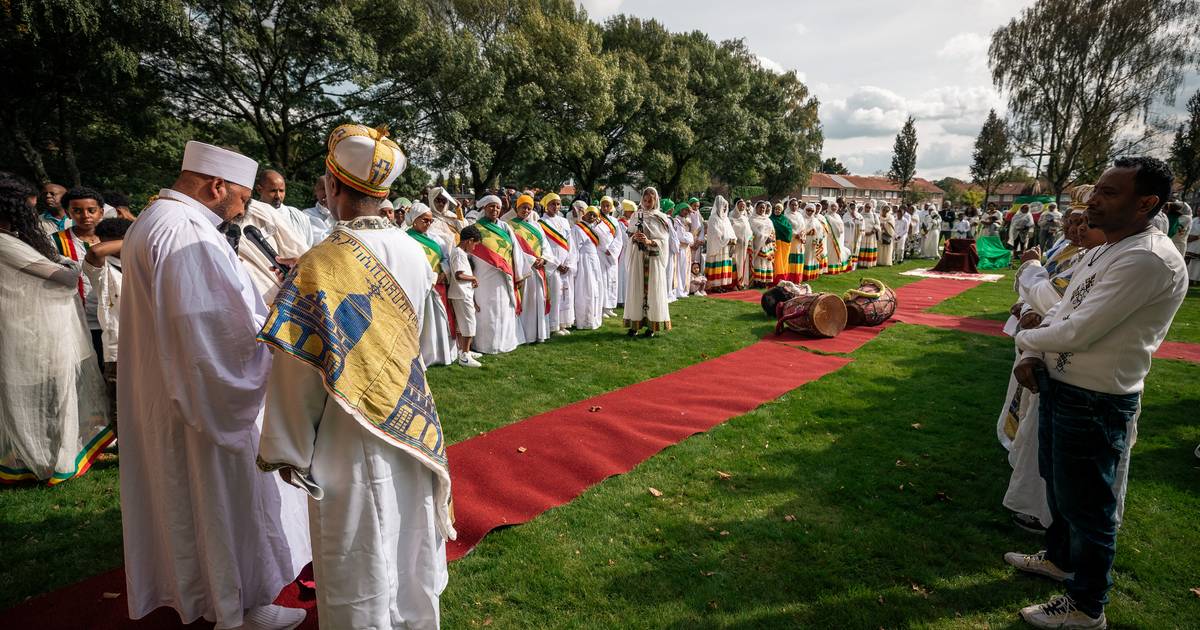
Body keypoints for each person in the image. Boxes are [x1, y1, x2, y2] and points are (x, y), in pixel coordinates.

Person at [258, 124, 453, 629]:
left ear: (333, 184)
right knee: (408, 540)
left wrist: (290, 445)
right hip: (409, 413)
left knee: (357, 549)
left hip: (345, 427)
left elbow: (300, 365)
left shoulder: (320, 263)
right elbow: (422, 341)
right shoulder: (416, 250)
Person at [118, 141, 311, 630]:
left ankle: (217, 595)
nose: (245, 209)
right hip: (206, 397)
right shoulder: (184, 232)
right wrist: (273, 342)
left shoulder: (159, 220)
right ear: (216, 186)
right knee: (220, 499)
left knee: (193, 500)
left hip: (175, 387)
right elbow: (209, 330)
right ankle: (236, 607)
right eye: (243, 198)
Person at [1007, 157, 1187, 629]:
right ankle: (1061, 560)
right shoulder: (1108, 247)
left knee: (1090, 505)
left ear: (1146, 203)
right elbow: (1063, 308)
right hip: (1065, 387)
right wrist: (1035, 350)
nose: (1093, 202)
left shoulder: (1147, 258)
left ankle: (1087, 605)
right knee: (1061, 487)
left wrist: (1026, 340)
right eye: (1096, 191)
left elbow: (1077, 331)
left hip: (1097, 397)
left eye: (1108, 193)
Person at [0, 174, 112, 485]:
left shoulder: (14, 238)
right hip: (33, 329)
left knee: (58, 392)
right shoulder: (3, 242)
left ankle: (50, 453)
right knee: (43, 395)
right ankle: (49, 460)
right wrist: (77, 263)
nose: (32, 215)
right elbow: (61, 276)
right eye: (28, 209)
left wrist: (66, 264)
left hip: (44, 326)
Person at [82, 217, 132, 426]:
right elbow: (95, 252)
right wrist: (136, 238)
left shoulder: (142, 260)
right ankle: (126, 449)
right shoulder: (102, 269)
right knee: (121, 400)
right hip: (118, 346)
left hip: (149, 342)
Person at [470, 195, 531, 354]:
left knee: (504, 308)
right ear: (484, 208)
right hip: (482, 277)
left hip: (505, 277)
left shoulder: (505, 227)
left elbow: (516, 251)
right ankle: (484, 345)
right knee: (486, 311)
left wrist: (518, 273)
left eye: (497, 207)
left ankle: (505, 342)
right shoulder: (475, 228)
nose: (495, 210)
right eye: (491, 206)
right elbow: (467, 251)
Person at [52, 187, 106, 365]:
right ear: (68, 213)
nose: (85, 216)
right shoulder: (55, 241)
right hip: (76, 320)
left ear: (101, 212)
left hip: (112, 318)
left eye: (91, 210)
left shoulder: (114, 238)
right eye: (77, 211)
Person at [407, 202, 458, 367]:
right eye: (425, 220)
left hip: (437, 286)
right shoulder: (405, 238)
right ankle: (422, 355)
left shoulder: (435, 238)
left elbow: (445, 257)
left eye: (430, 221)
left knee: (438, 320)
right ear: (415, 219)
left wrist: (444, 271)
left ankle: (440, 354)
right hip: (418, 287)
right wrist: (433, 277)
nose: (428, 223)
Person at [234, 198, 309, 302]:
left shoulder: (263, 210)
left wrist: (299, 270)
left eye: (245, 198)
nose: (243, 210)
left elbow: (297, 248)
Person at [624, 187, 672, 337]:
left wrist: (650, 241)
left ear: (655, 200)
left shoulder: (661, 217)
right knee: (636, 288)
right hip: (638, 257)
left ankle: (652, 326)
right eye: (644, 200)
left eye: (650, 200)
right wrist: (635, 238)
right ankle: (635, 325)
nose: (646, 203)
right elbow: (630, 234)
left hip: (653, 258)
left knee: (653, 289)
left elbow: (665, 241)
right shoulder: (635, 215)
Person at [506, 194, 552, 344]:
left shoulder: (537, 225)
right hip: (523, 269)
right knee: (525, 301)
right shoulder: (509, 225)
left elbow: (545, 245)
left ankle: (539, 334)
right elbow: (513, 249)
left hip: (539, 269)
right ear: (516, 208)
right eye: (523, 207)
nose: (526, 210)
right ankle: (525, 335)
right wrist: (532, 260)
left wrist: (544, 258)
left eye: (529, 208)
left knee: (539, 299)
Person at [539, 193, 575, 335]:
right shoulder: (542, 222)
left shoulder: (565, 221)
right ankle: (553, 325)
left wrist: (568, 262)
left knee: (566, 294)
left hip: (565, 263)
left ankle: (563, 323)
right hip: (553, 264)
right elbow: (544, 245)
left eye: (558, 204)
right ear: (546, 205)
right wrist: (556, 263)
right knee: (554, 294)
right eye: (552, 204)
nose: (556, 207)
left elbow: (570, 243)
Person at [449, 226, 483, 367]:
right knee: (469, 323)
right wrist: (473, 278)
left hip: (462, 293)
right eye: (475, 244)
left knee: (464, 323)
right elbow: (459, 274)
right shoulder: (459, 253)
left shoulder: (459, 253)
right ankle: (465, 355)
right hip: (462, 294)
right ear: (469, 241)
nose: (474, 248)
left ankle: (464, 350)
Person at [256, 169, 315, 250]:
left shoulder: (298, 216)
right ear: (259, 190)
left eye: (281, 191)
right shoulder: (252, 214)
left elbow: (308, 246)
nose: (278, 196)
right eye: (273, 191)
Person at [572, 207, 609, 330]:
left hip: (594, 261)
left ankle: (593, 318)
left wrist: (599, 226)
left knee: (595, 289)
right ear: (584, 215)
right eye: (590, 214)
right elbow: (575, 247)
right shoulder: (578, 228)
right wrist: (575, 264)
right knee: (585, 290)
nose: (592, 217)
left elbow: (604, 244)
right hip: (583, 262)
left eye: (594, 215)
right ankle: (583, 320)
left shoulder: (595, 229)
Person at [596, 196, 624, 316]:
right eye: (604, 205)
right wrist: (604, 248)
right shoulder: (597, 219)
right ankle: (602, 307)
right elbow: (596, 235)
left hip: (612, 254)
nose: (606, 208)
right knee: (603, 279)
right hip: (601, 252)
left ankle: (610, 306)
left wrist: (612, 250)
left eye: (608, 205)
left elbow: (619, 238)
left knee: (612, 279)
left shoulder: (614, 221)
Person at [704, 195, 736, 292]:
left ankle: (721, 285)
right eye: (723, 206)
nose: (725, 208)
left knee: (723, 265)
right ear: (718, 206)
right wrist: (727, 239)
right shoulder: (713, 218)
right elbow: (715, 234)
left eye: (726, 206)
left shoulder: (726, 219)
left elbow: (731, 232)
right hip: (717, 247)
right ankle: (714, 285)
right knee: (716, 264)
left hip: (725, 247)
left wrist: (733, 239)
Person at [301, 175, 336, 240]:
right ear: (315, 191)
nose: (328, 192)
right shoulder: (306, 215)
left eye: (331, 188)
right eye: (324, 188)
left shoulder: (342, 215)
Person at [750, 201, 776, 286]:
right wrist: (764, 238)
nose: (762, 209)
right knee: (759, 261)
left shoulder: (768, 220)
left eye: (763, 208)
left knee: (766, 262)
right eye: (760, 207)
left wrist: (770, 239)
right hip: (758, 244)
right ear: (756, 208)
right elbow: (754, 232)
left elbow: (772, 231)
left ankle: (765, 280)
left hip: (768, 244)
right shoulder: (752, 219)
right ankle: (758, 281)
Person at [730, 198, 754, 288]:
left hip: (745, 245)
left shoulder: (745, 218)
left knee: (744, 264)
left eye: (744, 205)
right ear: (736, 206)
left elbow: (749, 231)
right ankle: (735, 283)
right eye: (740, 205)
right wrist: (737, 239)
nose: (742, 207)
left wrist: (750, 239)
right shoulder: (731, 218)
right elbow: (731, 231)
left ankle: (743, 282)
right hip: (736, 246)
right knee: (737, 263)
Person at [800, 203, 825, 279]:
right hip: (805, 241)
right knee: (805, 257)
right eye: (808, 210)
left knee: (812, 257)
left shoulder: (816, 220)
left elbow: (821, 230)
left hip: (814, 241)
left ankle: (811, 274)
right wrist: (809, 231)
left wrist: (817, 237)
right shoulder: (802, 219)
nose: (810, 212)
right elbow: (800, 229)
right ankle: (803, 274)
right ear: (805, 210)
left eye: (812, 210)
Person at [771, 202, 794, 283]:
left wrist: (785, 234)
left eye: (779, 209)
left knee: (783, 260)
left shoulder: (785, 219)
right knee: (777, 260)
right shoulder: (771, 219)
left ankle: (783, 276)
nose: (777, 211)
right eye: (776, 209)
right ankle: (776, 277)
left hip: (785, 243)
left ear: (782, 210)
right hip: (776, 243)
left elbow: (789, 230)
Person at [858, 201, 880, 268]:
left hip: (871, 235)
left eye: (869, 207)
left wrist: (873, 231)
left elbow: (877, 225)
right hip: (863, 235)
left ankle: (869, 264)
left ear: (872, 207)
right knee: (862, 249)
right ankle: (861, 263)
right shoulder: (860, 215)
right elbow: (858, 224)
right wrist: (863, 231)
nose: (868, 208)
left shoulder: (874, 215)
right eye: (866, 207)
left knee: (869, 249)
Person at [842, 202, 863, 271]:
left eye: (854, 207)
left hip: (856, 235)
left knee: (855, 250)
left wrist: (856, 220)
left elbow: (862, 223)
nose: (853, 209)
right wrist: (852, 221)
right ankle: (847, 265)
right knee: (848, 249)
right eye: (851, 208)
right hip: (848, 235)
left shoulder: (859, 215)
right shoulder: (846, 215)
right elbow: (845, 223)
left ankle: (853, 266)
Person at [1187, 205, 1200, 285]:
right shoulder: (1193, 220)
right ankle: (1189, 279)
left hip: (1198, 247)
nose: (1198, 212)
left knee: (1198, 265)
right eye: (1198, 211)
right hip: (1191, 246)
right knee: (1190, 264)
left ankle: (1197, 280)